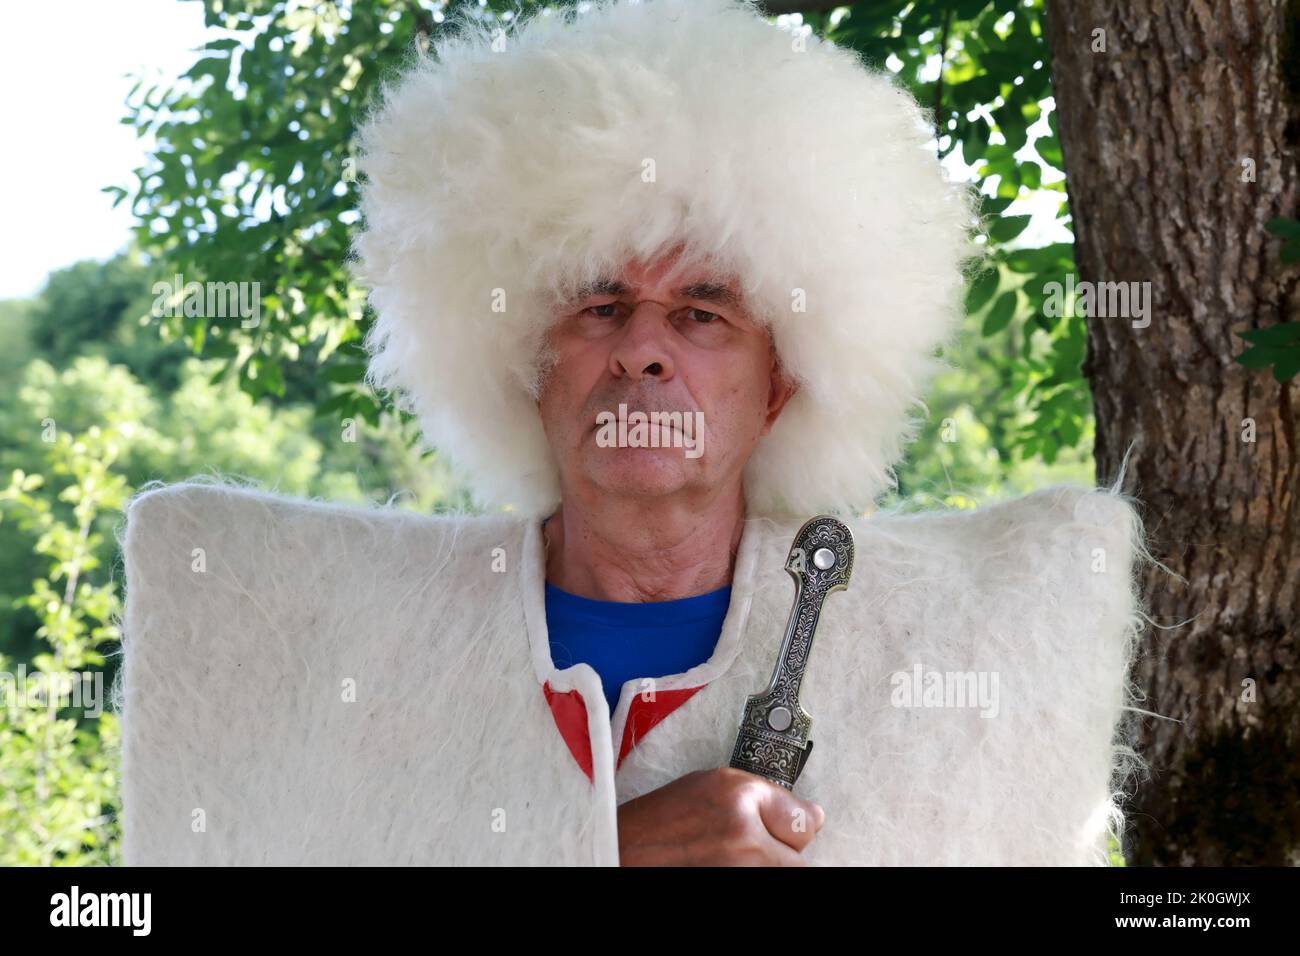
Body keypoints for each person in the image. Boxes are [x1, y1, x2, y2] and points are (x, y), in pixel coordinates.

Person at [121, 0, 1143, 867]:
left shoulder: (950, 651)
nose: (643, 351)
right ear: (522, 364)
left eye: (703, 312)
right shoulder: (339, 646)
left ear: (781, 384)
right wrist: (609, 848)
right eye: (596, 307)